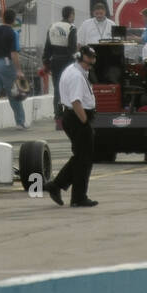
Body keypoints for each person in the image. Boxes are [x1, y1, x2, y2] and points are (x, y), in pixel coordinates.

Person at [47, 45, 98, 208]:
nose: (91, 63)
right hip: (77, 117)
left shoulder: (72, 70)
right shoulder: (76, 76)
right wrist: (85, 121)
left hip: (71, 116)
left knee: (80, 157)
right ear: (82, 59)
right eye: (89, 60)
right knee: (85, 159)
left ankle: (56, 186)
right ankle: (78, 197)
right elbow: (76, 102)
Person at [0, 8, 27, 131]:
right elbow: (13, 54)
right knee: (14, 93)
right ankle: (20, 122)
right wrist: (18, 70)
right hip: (6, 64)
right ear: (13, 20)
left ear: (3, 18)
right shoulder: (13, 33)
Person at [43, 5, 78, 124]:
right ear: (71, 15)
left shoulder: (52, 27)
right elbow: (72, 49)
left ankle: (57, 115)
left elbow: (47, 47)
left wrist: (46, 63)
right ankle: (67, 113)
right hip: (67, 61)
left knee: (57, 89)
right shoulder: (71, 28)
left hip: (55, 61)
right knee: (68, 89)